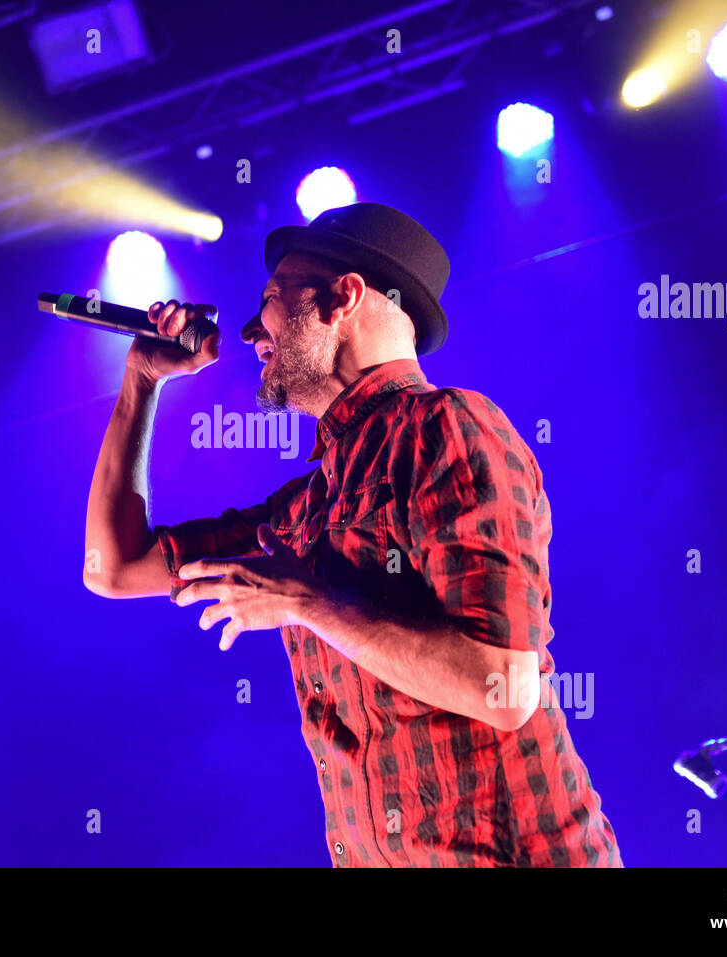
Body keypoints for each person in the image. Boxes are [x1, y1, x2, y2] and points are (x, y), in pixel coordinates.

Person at [83, 202, 623, 867]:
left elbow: (504, 691)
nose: (251, 327)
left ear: (344, 297)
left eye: (272, 300)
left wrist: (308, 603)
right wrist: (141, 379)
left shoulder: (450, 428)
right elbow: (112, 566)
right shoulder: (303, 508)